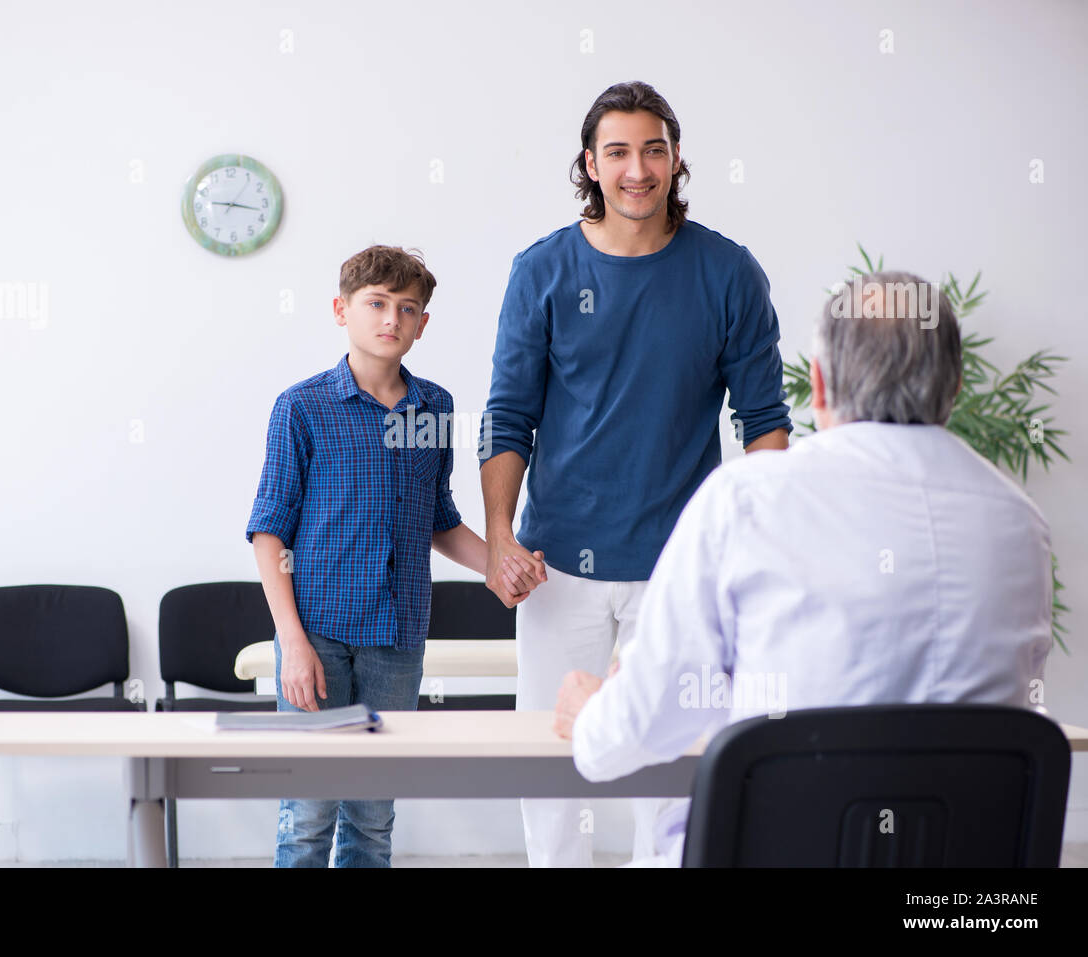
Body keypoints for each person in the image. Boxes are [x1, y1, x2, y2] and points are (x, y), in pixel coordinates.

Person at [554, 271, 1055, 866]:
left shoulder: (746, 499)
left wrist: (593, 718)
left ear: (818, 384)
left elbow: (641, 722)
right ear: (955, 386)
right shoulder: (1021, 524)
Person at [480, 80, 792, 867]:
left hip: (681, 572)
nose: (637, 169)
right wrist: (497, 536)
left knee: (673, 776)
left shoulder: (729, 272)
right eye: (617, 151)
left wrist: (758, 549)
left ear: (676, 158)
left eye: (654, 149)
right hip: (559, 569)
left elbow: (764, 424)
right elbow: (507, 414)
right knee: (554, 776)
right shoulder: (540, 271)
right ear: (590, 163)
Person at [246, 245, 524, 868]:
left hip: (397, 640)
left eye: (408, 309)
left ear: (424, 323)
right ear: (341, 310)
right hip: (316, 636)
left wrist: (497, 566)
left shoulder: (434, 408)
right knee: (308, 817)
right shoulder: (303, 408)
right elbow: (270, 533)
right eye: (376, 304)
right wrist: (290, 642)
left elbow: (438, 519)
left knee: (373, 818)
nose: (391, 320)